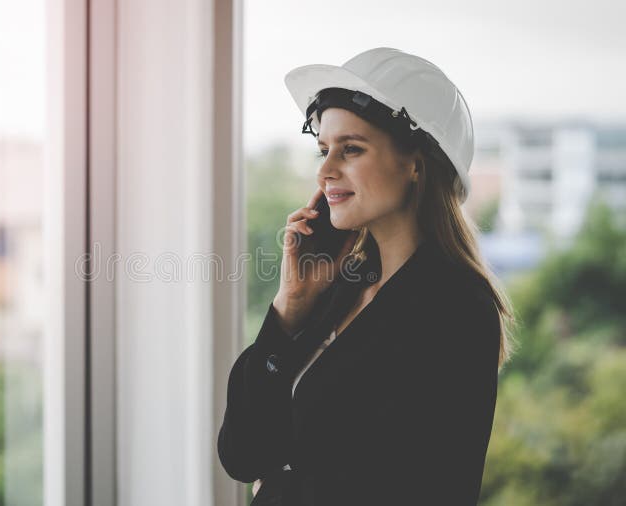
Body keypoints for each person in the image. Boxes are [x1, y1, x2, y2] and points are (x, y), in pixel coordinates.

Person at [217, 47, 517, 505]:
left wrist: (281, 484)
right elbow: (242, 453)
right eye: (323, 150)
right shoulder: (341, 286)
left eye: (350, 149)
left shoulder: (455, 307)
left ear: (415, 163)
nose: (325, 171)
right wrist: (289, 308)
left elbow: (413, 485)